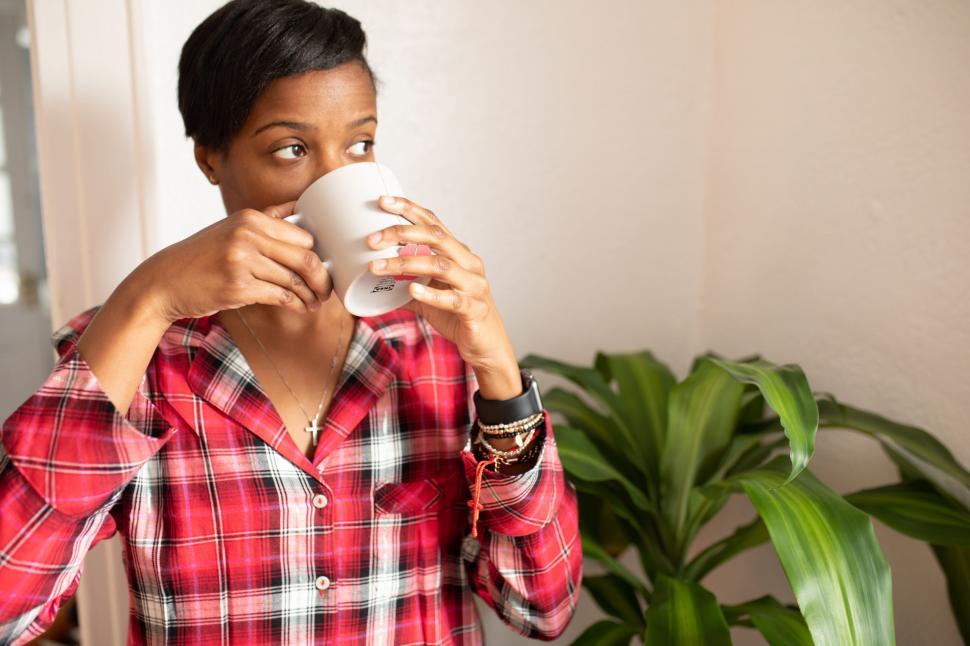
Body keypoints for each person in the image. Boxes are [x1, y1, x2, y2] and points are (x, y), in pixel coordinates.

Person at [0, 0, 582, 644]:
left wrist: (498, 370)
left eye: (361, 144)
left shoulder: (434, 348)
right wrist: (147, 293)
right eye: (292, 148)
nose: (339, 179)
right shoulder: (132, 351)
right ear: (210, 160)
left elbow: (541, 609)